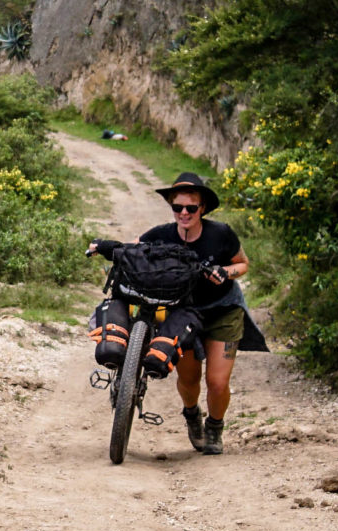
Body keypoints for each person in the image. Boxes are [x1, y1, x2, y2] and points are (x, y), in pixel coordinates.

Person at [89, 172, 266, 456]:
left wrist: (226, 272)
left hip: (223, 312)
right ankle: (192, 414)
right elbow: (132, 249)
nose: (184, 213)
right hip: (184, 313)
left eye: (191, 208)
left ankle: (215, 426)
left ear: (202, 208)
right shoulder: (161, 235)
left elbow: (243, 264)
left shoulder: (220, 234)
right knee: (188, 379)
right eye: (178, 207)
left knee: (218, 382)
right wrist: (105, 247)